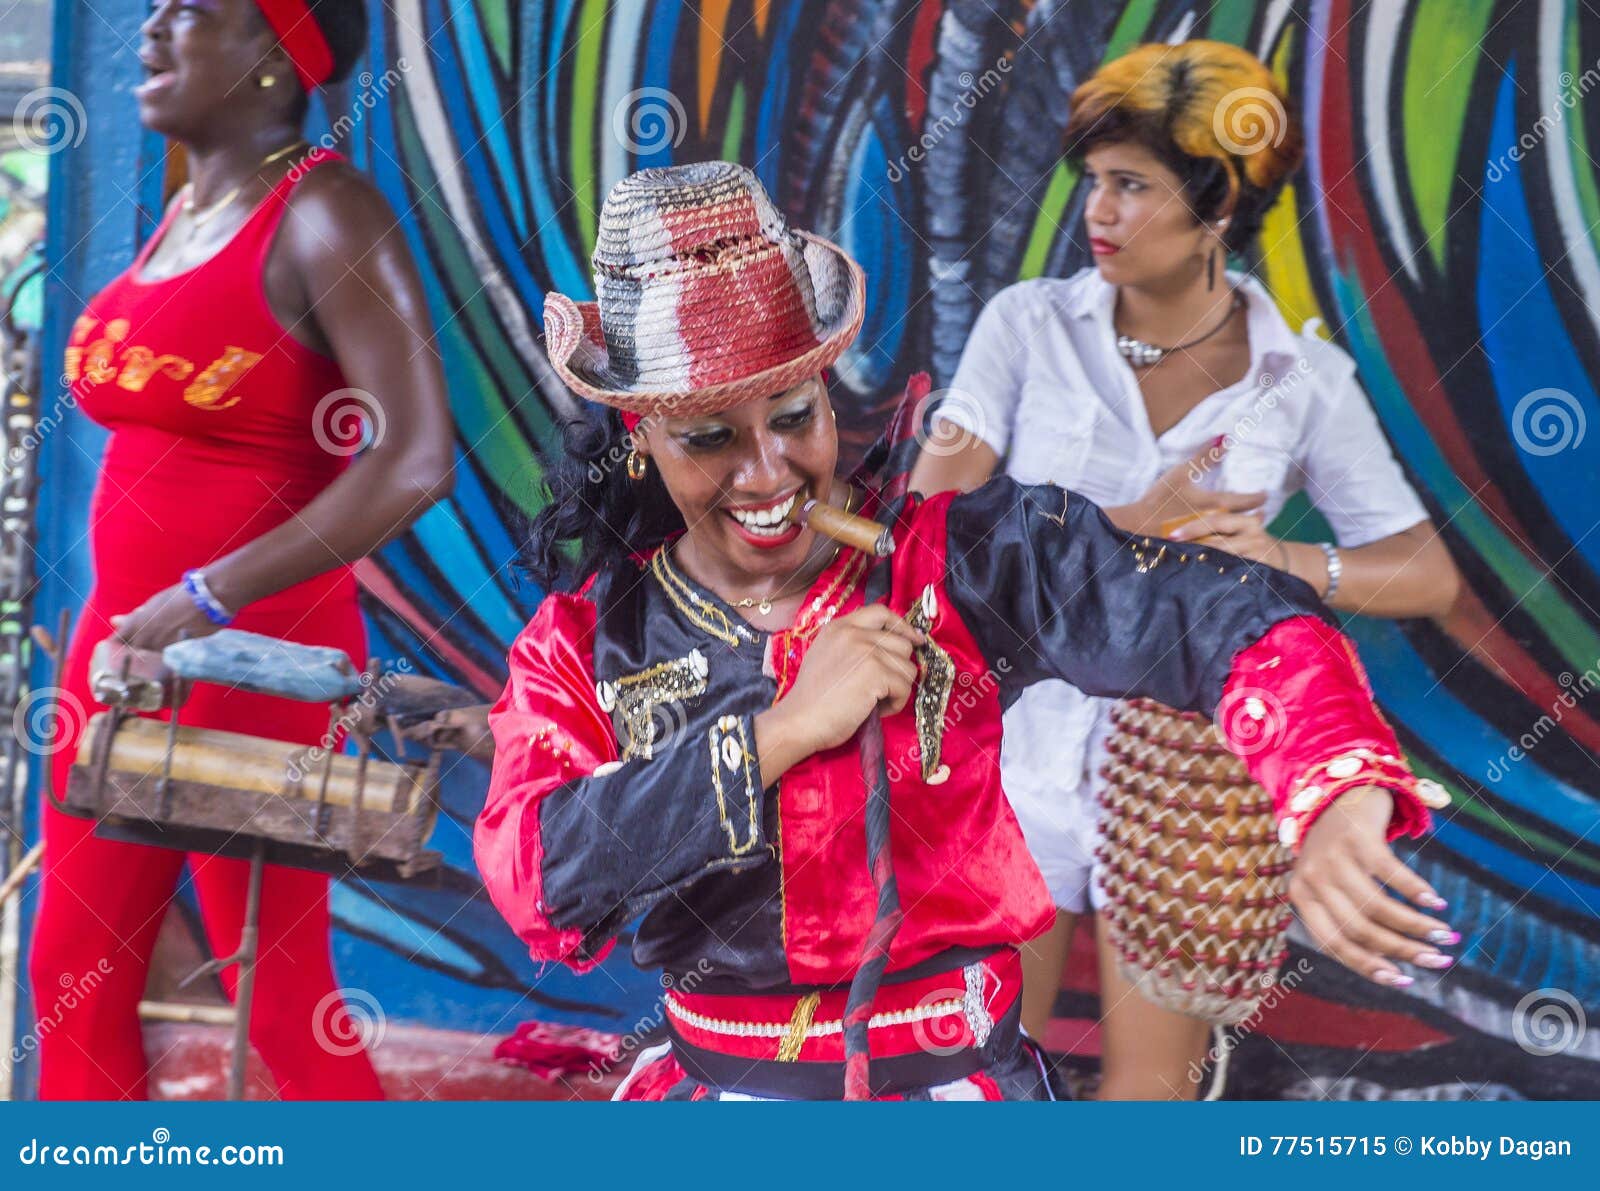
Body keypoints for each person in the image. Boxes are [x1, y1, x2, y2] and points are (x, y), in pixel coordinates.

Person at [471, 159, 1454, 1102]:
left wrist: (1331, 786)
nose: (768, 472)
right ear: (639, 443)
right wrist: (784, 732)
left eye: (793, 415)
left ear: (826, 394)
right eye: (709, 437)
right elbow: (537, 878)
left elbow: (1225, 616)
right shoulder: (586, 643)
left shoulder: (969, 564)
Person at [910, 40, 1462, 1099]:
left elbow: (1424, 571)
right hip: (1001, 764)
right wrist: (1122, 525)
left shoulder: (1298, 379)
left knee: (1148, 1103)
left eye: (1132, 185)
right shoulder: (1026, 327)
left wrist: (1285, 559)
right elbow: (927, 531)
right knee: (972, 1085)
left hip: (1183, 794)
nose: (1098, 213)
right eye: (1092, 183)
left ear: (1216, 208)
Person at [32, 0, 454, 1099]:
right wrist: (155, 619)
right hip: (123, 650)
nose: (155, 29)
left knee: (274, 991)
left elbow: (413, 460)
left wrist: (203, 601)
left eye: (194, 12)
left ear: (277, 57)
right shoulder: (183, 211)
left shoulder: (326, 213)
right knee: (70, 970)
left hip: (250, 652)